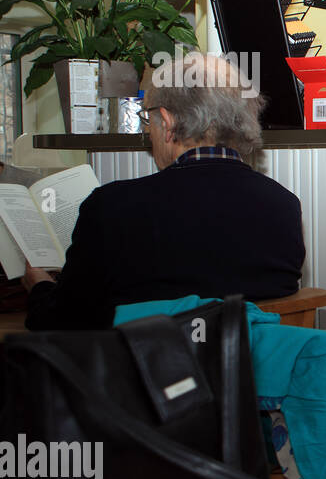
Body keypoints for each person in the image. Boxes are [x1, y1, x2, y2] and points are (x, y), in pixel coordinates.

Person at [22, 53, 305, 329]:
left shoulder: (112, 207)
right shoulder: (285, 206)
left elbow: (60, 321)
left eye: (148, 120)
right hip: (252, 372)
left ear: (167, 124)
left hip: (144, 373)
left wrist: (39, 287)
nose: (149, 132)